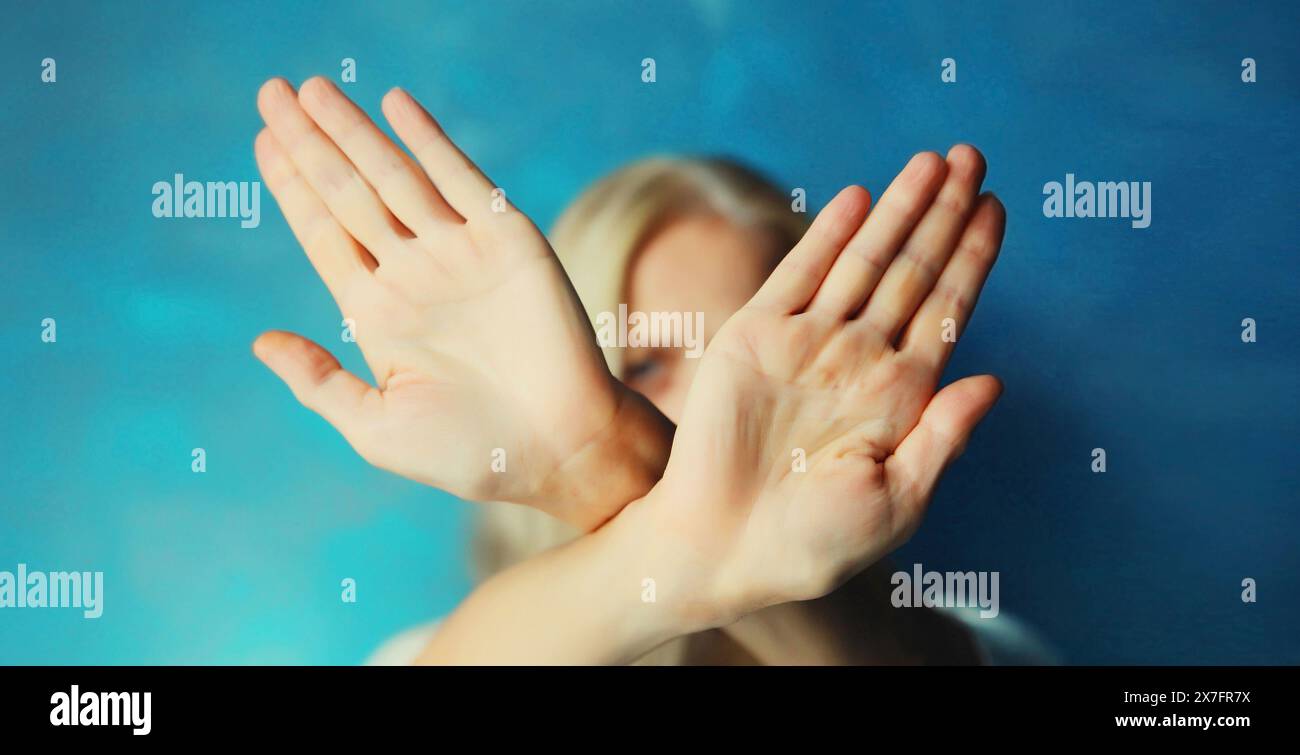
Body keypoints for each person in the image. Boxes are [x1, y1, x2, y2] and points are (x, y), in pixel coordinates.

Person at [251, 75, 1050, 664]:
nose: (713, 404)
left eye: (747, 349)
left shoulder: (982, 648)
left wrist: (620, 473)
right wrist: (609, 465)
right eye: (646, 360)